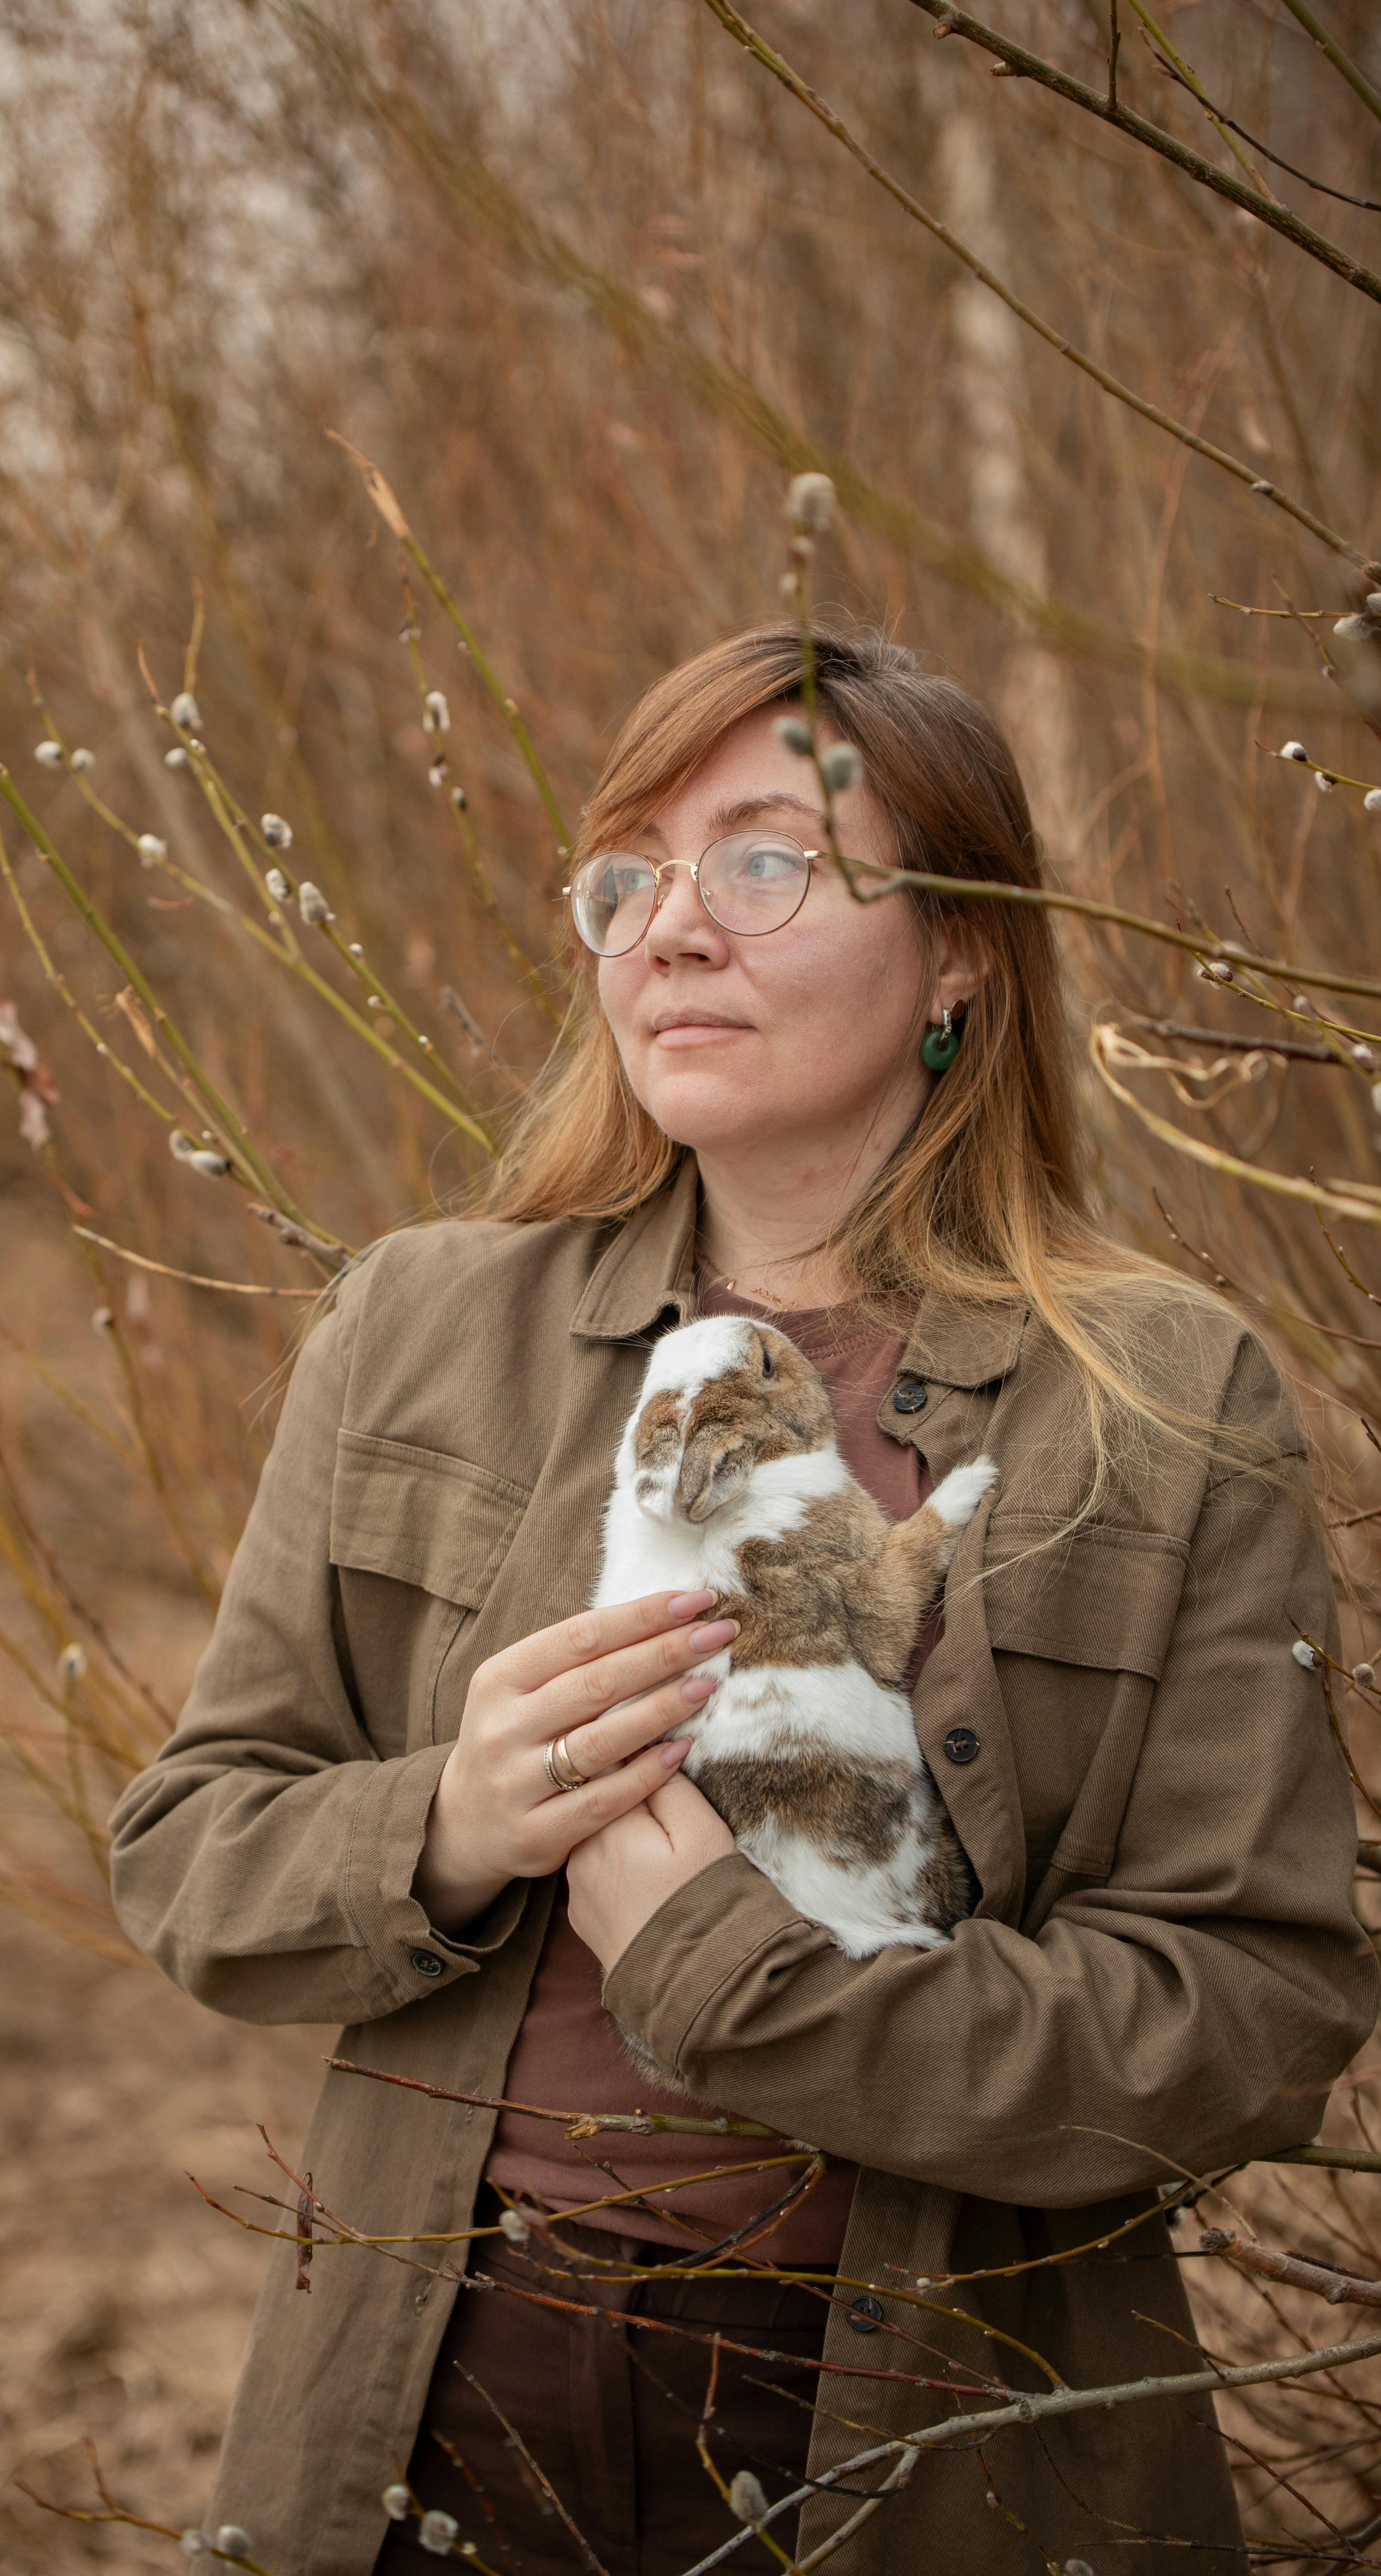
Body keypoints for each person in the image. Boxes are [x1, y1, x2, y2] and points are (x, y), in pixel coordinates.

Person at [108, 624, 1377, 2576]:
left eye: (768, 861)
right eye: (628, 878)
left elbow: (1250, 2013)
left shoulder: (1157, 1400)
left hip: (932, 2432)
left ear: (960, 950)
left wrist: (745, 1983)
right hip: (435, 2388)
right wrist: (445, 1823)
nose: (671, 930)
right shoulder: (426, 1326)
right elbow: (191, 1859)